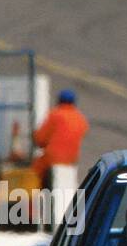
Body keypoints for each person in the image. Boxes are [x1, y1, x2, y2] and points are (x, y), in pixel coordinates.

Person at [32, 90, 91, 218]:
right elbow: (83, 131)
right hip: (70, 160)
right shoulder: (80, 118)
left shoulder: (55, 114)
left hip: (51, 158)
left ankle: (31, 212)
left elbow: (40, 138)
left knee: (34, 174)